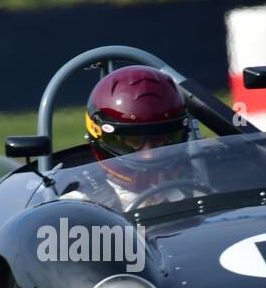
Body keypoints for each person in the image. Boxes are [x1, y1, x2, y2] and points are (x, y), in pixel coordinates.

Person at [71, 65, 198, 209]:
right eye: (133, 140)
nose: (149, 155)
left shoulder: (203, 182)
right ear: (98, 135)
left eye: (159, 138)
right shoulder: (80, 207)